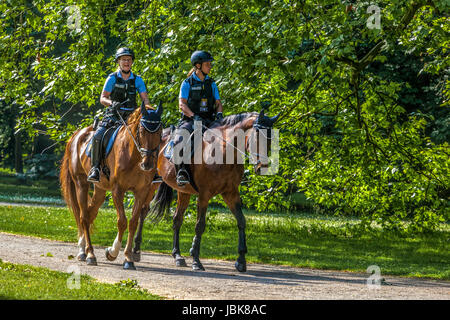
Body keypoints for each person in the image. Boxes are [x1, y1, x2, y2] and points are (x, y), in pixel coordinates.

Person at [87, 47, 151, 182]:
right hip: (114, 115)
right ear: (118, 62)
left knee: (150, 134)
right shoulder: (112, 78)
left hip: (132, 117)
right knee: (98, 135)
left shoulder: (138, 80)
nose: (126, 62)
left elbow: (145, 99)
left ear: (132, 62)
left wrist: (148, 110)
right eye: (123, 60)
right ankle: (95, 168)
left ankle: (153, 170)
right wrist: (111, 103)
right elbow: (103, 98)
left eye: (129, 60)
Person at [174, 50, 223, 186]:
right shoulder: (187, 83)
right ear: (198, 66)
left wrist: (219, 114)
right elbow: (182, 105)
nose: (210, 66)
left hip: (209, 120)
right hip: (191, 120)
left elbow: (218, 103)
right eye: (208, 64)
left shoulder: (212, 83)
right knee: (179, 139)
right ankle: (182, 172)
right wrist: (194, 116)